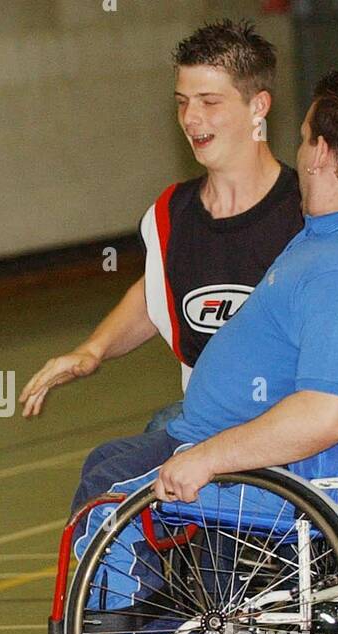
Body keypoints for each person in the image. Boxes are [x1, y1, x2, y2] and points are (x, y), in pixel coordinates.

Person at [37, 66, 338, 634]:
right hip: (231, 439)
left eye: (304, 138)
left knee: (105, 513)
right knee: (108, 462)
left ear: (325, 153)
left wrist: (209, 456)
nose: (297, 153)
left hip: (274, 472)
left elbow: (325, 413)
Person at [19, 19, 304, 431]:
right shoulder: (170, 212)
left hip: (291, 424)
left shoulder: (309, 209)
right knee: (107, 476)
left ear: (258, 106)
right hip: (207, 423)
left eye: (209, 101)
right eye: (182, 102)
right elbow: (157, 292)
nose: (190, 118)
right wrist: (92, 350)